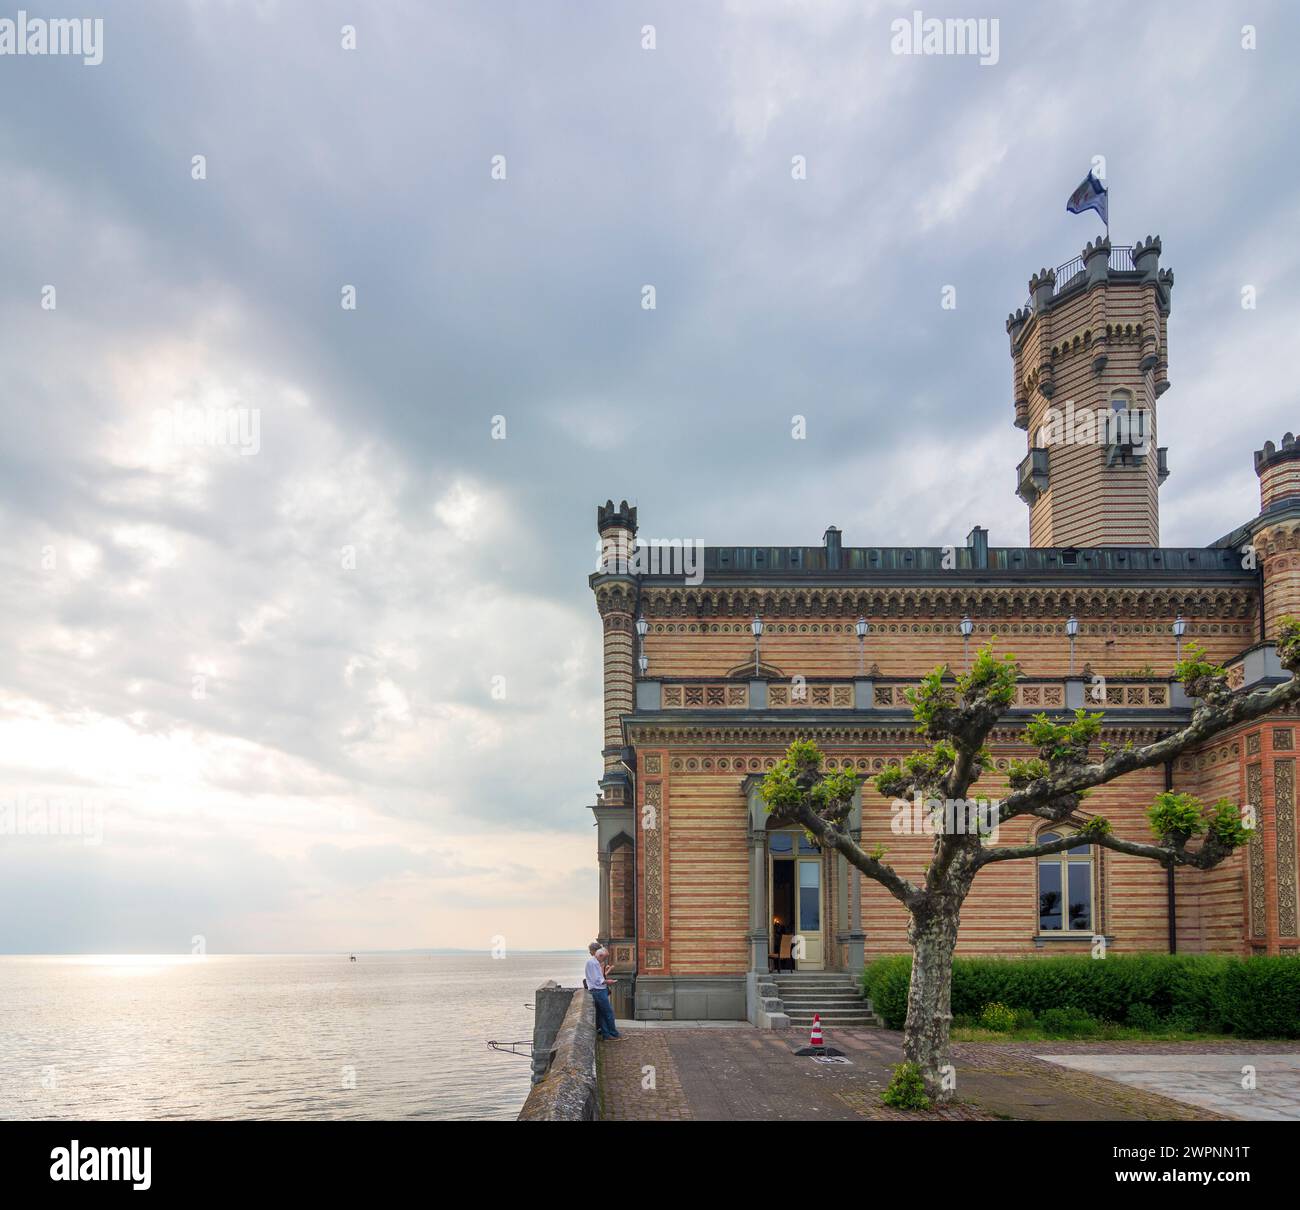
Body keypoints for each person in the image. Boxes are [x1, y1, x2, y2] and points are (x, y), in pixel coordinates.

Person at [584, 941, 620, 1039]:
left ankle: (606, 1034)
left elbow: (599, 977)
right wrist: (609, 982)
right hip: (598, 990)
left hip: (599, 990)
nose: (604, 959)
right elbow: (598, 980)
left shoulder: (595, 962)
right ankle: (613, 1033)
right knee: (608, 1012)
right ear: (597, 952)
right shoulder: (592, 962)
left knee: (602, 1013)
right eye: (603, 957)